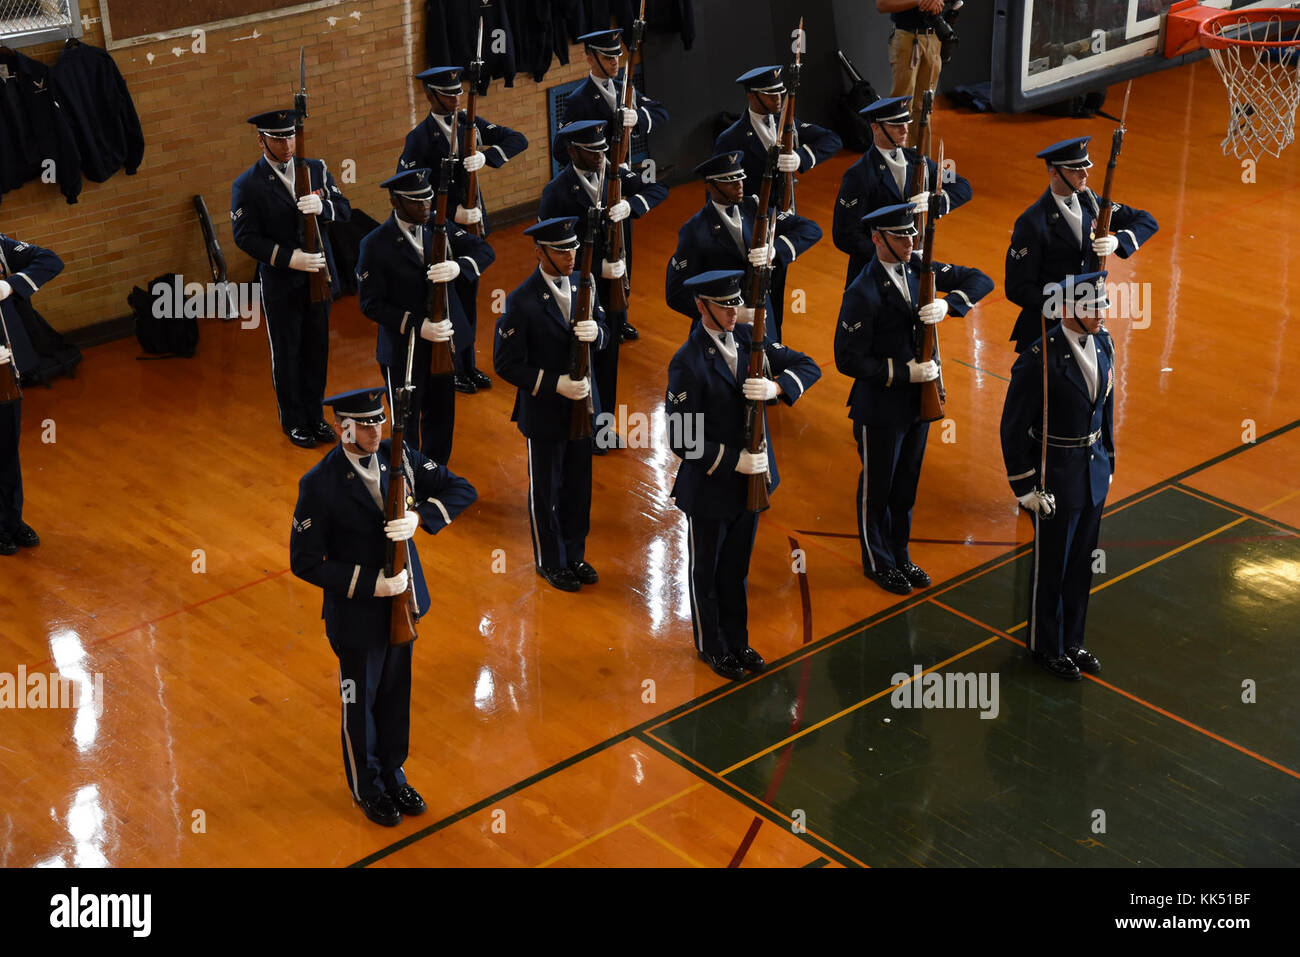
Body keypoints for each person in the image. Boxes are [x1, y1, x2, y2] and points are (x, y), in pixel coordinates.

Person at [290, 387, 477, 826]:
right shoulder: (320, 484)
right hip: (357, 614)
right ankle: (367, 785)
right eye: (366, 423)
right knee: (360, 702)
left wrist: (420, 518)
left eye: (379, 420)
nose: (376, 431)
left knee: (395, 696)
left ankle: (393, 773)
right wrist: (371, 584)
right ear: (343, 428)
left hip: (404, 606)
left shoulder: (401, 456)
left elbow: (460, 489)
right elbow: (304, 561)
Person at [666, 270, 821, 680]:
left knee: (736, 567)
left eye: (736, 303)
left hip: (750, 483)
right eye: (724, 305)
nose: (734, 312)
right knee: (709, 570)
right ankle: (711, 645)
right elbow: (683, 440)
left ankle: (737, 639)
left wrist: (777, 388)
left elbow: (808, 365)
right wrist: (734, 460)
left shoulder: (753, 344)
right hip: (712, 484)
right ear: (702, 307)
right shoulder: (687, 363)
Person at [834, 202, 992, 595]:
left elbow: (979, 279)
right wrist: (905, 373)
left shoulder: (921, 269)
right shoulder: (863, 291)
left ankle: (900, 554)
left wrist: (948, 304)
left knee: (906, 485)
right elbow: (848, 358)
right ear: (877, 238)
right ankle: (877, 561)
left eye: (912, 233)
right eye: (902, 235)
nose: (911, 241)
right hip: (881, 405)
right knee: (878, 487)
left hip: (918, 402)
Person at [1000, 272, 1114, 681]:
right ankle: (1045, 645)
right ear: (1068, 311)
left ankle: (1072, 640)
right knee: (1051, 566)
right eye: (1093, 308)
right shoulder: (1038, 361)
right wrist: (1025, 486)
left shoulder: (1104, 343)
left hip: (1092, 471)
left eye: (1102, 305)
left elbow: (1107, 407)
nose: (1102, 314)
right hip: (1055, 476)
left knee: (1081, 563)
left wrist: (1109, 459)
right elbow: (1012, 427)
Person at [493, 217, 610, 592]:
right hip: (545, 411)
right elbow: (506, 363)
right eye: (561, 250)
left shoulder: (583, 285)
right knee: (546, 491)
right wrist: (554, 384)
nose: (570, 256)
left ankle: (574, 554)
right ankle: (550, 560)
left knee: (579, 487)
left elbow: (604, 330)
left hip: (583, 409)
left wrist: (600, 334)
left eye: (573, 248)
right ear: (539, 252)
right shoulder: (522, 301)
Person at [398, 65, 528, 393]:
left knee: (469, 299)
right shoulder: (419, 139)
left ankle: (467, 365)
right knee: (448, 302)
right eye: (448, 93)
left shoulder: (471, 126)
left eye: (459, 92)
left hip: (473, 229)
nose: (456, 99)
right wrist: (454, 211)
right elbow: (407, 190)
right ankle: (452, 367)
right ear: (430, 95)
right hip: (441, 229)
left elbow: (518, 139)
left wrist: (488, 157)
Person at [538, 119, 666, 448]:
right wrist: (595, 267)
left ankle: (603, 425)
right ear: (572, 152)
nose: (600, 156)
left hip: (611, 289)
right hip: (576, 290)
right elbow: (549, 251)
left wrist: (631, 205)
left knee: (608, 358)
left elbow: (656, 187)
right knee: (582, 360)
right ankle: (584, 426)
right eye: (592, 151)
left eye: (603, 150)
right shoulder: (556, 193)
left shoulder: (615, 177)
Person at [357, 168, 495, 466]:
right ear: (395, 202)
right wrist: (418, 325)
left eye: (428, 200)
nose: (425, 207)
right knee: (405, 422)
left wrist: (460, 267)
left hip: (443, 343)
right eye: (416, 202)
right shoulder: (375, 244)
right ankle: (408, 477)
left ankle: (434, 471)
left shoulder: (438, 226)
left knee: (441, 414)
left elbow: (484, 250)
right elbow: (371, 304)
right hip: (403, 349)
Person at [231, 108, 352, 448]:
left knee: (317, 350)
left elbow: (344, 209)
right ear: (261, 141)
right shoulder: (248, 185)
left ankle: (315, 416)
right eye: (277, 138)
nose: (286, 145)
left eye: (290, 136)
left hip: (319, 277)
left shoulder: (316, 169)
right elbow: (245, 237)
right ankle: (295, 421)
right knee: (287, 353)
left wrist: (323, 208)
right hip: (283, 283)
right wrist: (290, 259)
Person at [560, 28, 670, 344]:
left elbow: (662, 112)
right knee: (595, 251)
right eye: (608, 57)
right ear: (590, 57)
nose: (615, 63)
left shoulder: (625, 89)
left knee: (623, 250)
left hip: (621, 178)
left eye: (617, 56)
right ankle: (598, 315)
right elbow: (560, 145)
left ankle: (620, 315)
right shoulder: (579, 99)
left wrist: (638, 117)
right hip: (594, 181)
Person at [715, 64, 842, 332]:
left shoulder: (788, 124)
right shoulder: (731, 139)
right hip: (750, 227)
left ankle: (773, 344)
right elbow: (719, 191)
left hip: (781, 223)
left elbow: (832, 140)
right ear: (752, 96)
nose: (778, 101)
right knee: (752, 295)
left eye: (780, 94)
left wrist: (801, 158)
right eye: (771, 95)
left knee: (777, 291)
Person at [1006, 136, 1158, 352]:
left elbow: (1146, 221)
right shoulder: (1032, 222)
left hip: (1087, 325)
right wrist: (1064, 310)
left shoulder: (1091, 202)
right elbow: (1017, 288)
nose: (1085, 174)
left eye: (1086, 167)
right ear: (1054, 172)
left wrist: (1117, 240)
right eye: (1076, 169)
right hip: (1047, 331)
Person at [666, 151, 821, 344]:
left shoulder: (754, 207)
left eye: (740, 179)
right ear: (711, 186)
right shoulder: (694, 231)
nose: (739, 186)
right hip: (720, 331)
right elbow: (676, 294)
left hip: (762, 313)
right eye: (730, 181)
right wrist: (730, 313)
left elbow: (810, 229)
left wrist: (773, 250)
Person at [833, 95, 971, 288]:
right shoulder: (859, 175)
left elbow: (962, 186)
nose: (905, 130)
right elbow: (844, 235)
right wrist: (891, 254)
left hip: (914, 264)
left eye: (906, 123)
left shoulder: (917, 161)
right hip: (873, 272)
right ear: (876, 128)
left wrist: (935, 201)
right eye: (896, 125)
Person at [0, 232, 64, 555]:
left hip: (3, 367)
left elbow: (50, 260)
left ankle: (12, 520)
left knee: (8, 447)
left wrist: (11, 285)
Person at [878, 0, 947, 145]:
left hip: (934, 37)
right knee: (901, 107)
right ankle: (898, 162)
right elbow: (883, 5)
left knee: (924, 107)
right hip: (907, 39)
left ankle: (921, 163)